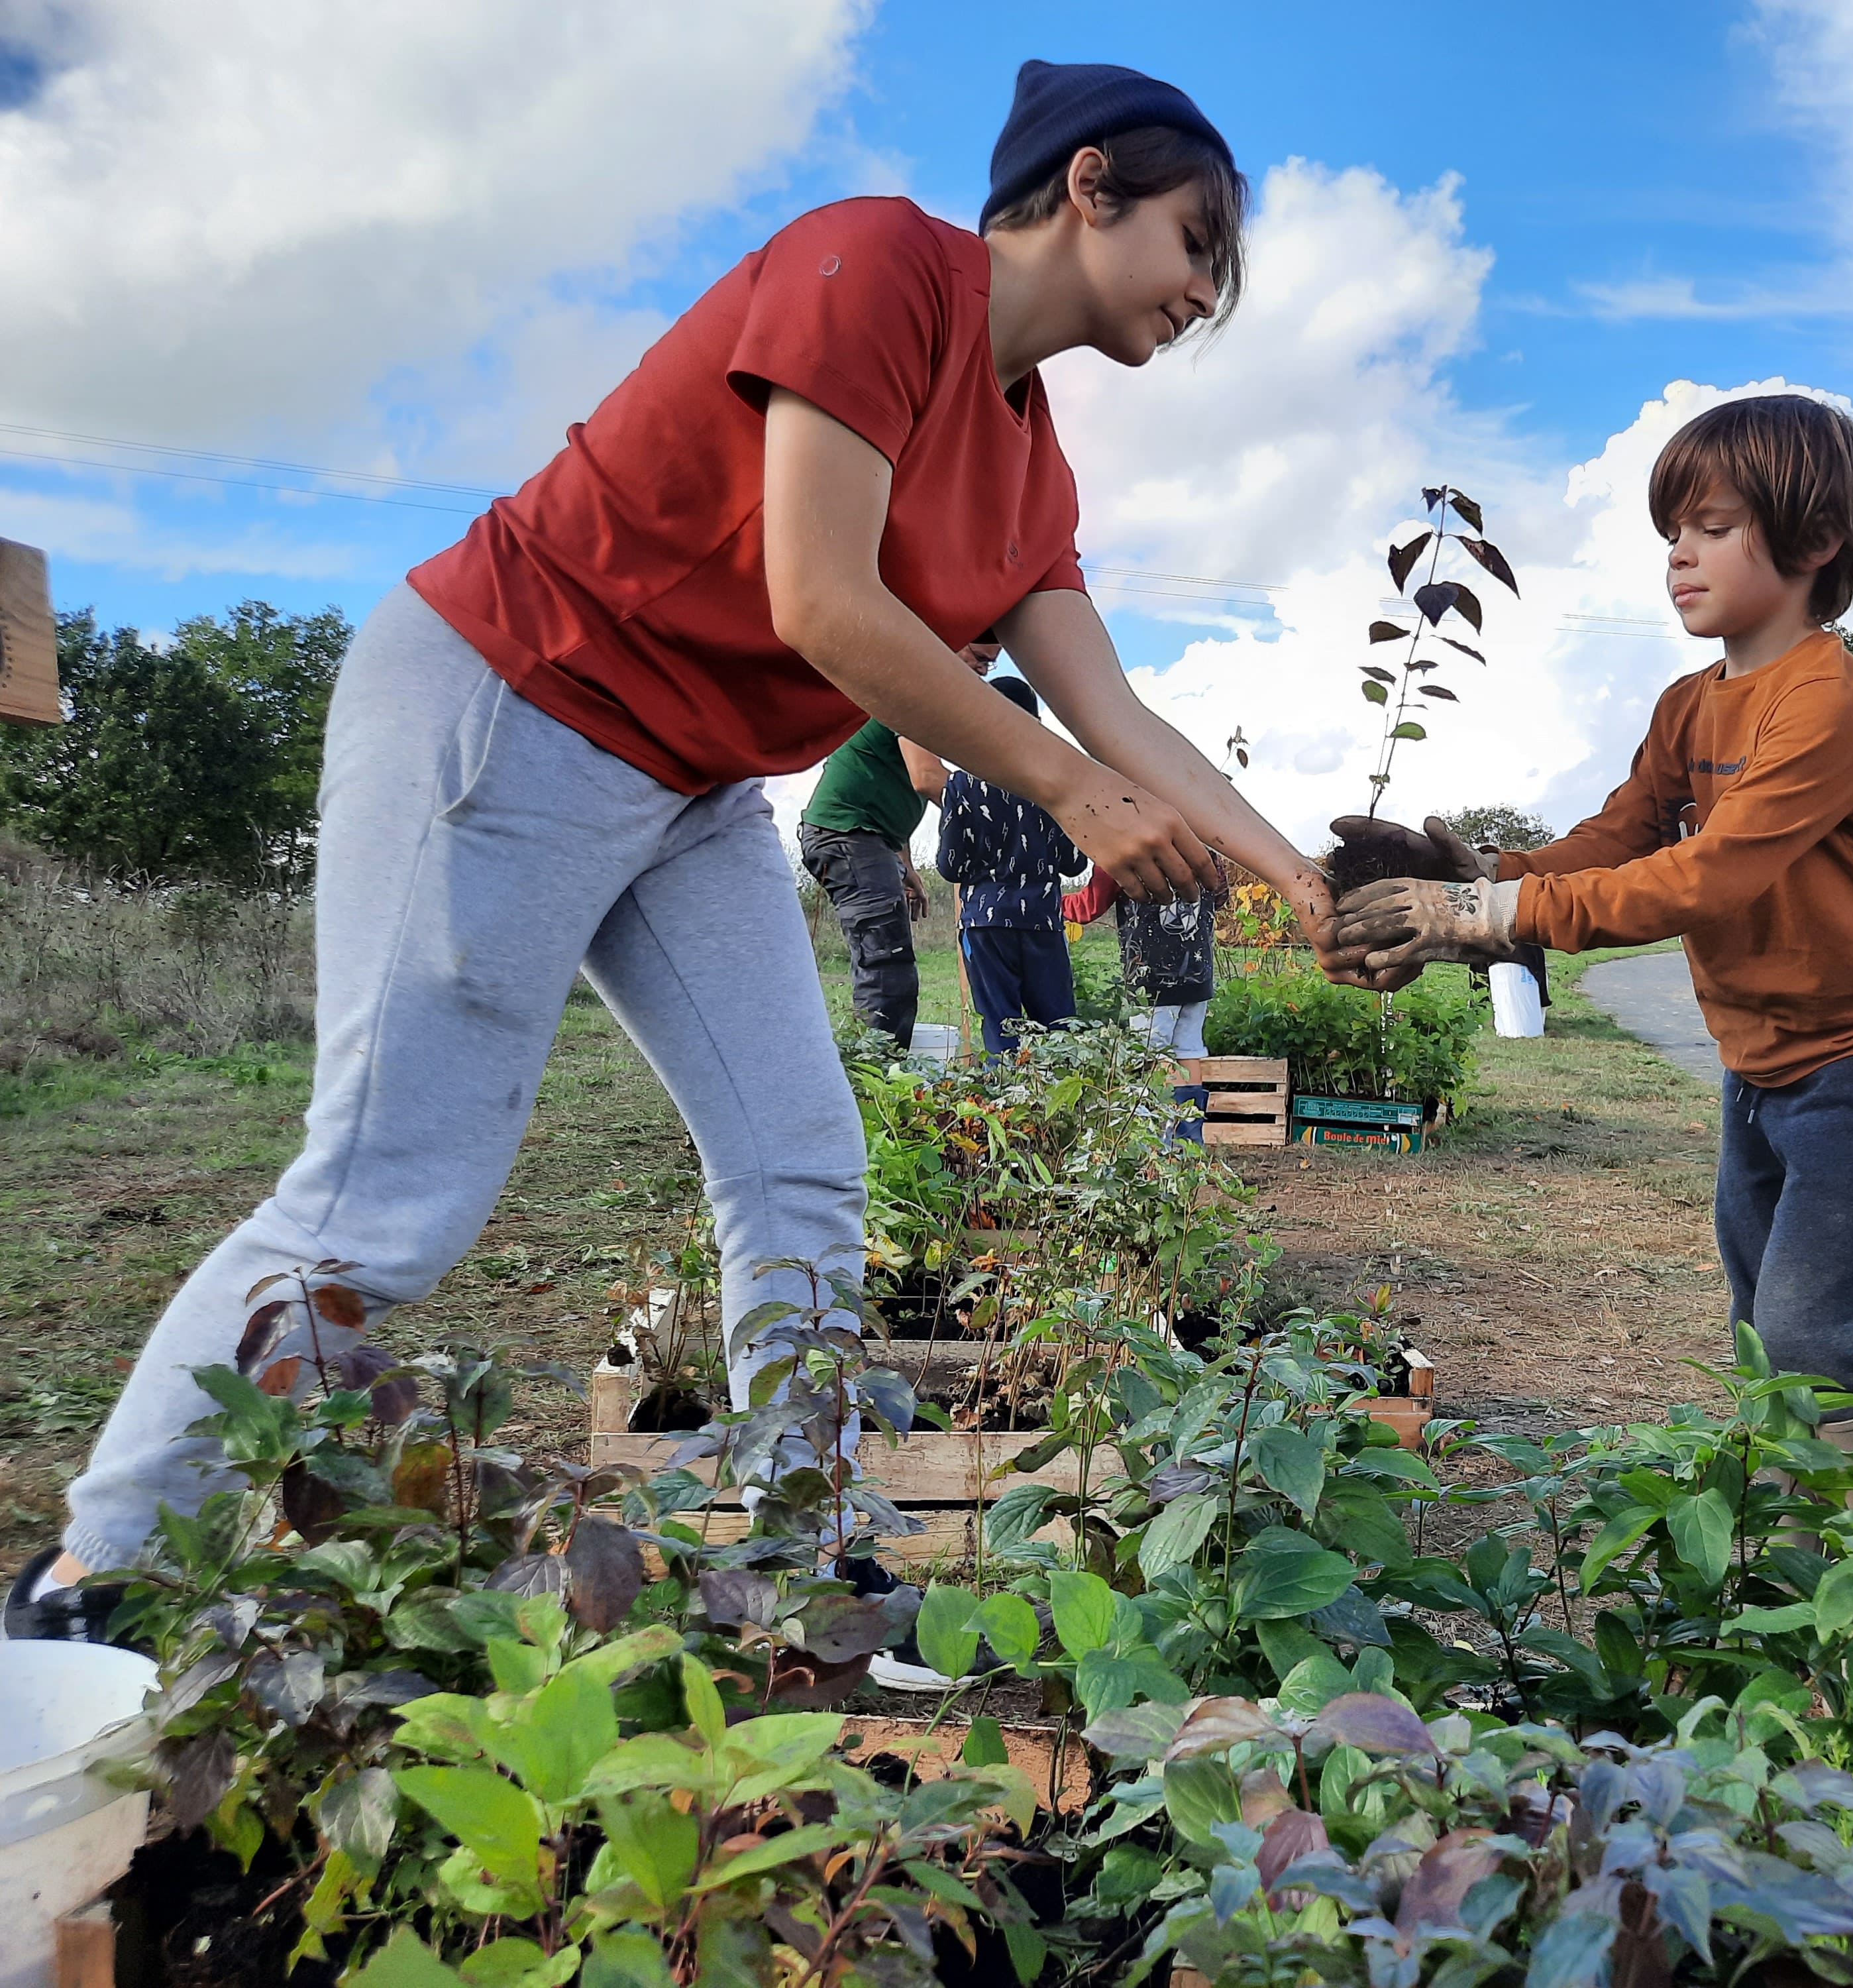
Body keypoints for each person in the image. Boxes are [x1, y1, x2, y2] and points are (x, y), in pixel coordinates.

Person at [7, 58, 1344, 1640]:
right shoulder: (878, 266)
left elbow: (1114, 707)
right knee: (385, 1197)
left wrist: (1302, 884)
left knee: (801, 1152)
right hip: (515, 689)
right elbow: (822, 601)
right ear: (1089, 184)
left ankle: (797, 1533)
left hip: (693, 777)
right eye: (1202, 243)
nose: (1207, 293)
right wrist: (1063, 788)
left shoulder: (1033, 463)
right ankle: (98, 1579)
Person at [1326, 394, 1853, 1465]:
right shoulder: (1687, 707)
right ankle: (1800, 1575)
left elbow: (1702, 881)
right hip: (1757, 1071)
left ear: (1815, 539)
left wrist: (1480, 915)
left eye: (1712, 528)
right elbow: (1616, 840)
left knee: (1813, 1336)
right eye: (1673, 533)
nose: (1680, 556)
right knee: (1764, 1337)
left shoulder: (1828, 705)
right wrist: (1488, 875)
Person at [798, 637, 998, 1045]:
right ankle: (880, 1086)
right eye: (978, 658)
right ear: (950, 641)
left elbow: (897, 794)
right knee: (887, 968)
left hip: (866, 838)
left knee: (887, 962)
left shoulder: (930, 703)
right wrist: (1002, 825)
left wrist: (906, 869)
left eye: (989, 665)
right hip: (847, 835)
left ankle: (879, 1074)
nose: (982, 670)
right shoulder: (915, 691)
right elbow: (927, 779)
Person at [937, 675, 1086, 1052]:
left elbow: (950, 867)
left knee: (1001, 1031)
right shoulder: (1054, 782)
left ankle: (1006, 1107)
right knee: (1058, 1033)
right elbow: (1073, 862)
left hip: (986, 923)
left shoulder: (963, 784)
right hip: (1042, 921)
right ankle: (1063, 1109)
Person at [1061, 861, 1218, 1056]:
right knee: (1190, 1049)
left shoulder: (1121, 849)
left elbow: (1087, 907)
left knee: (1150, 1055)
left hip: (1150, 979)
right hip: (1198, 974)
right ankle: (1190, 1088)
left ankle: (1161, 1087)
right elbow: (1220, 895)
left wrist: (1051, 901)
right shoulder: (1205, 847)